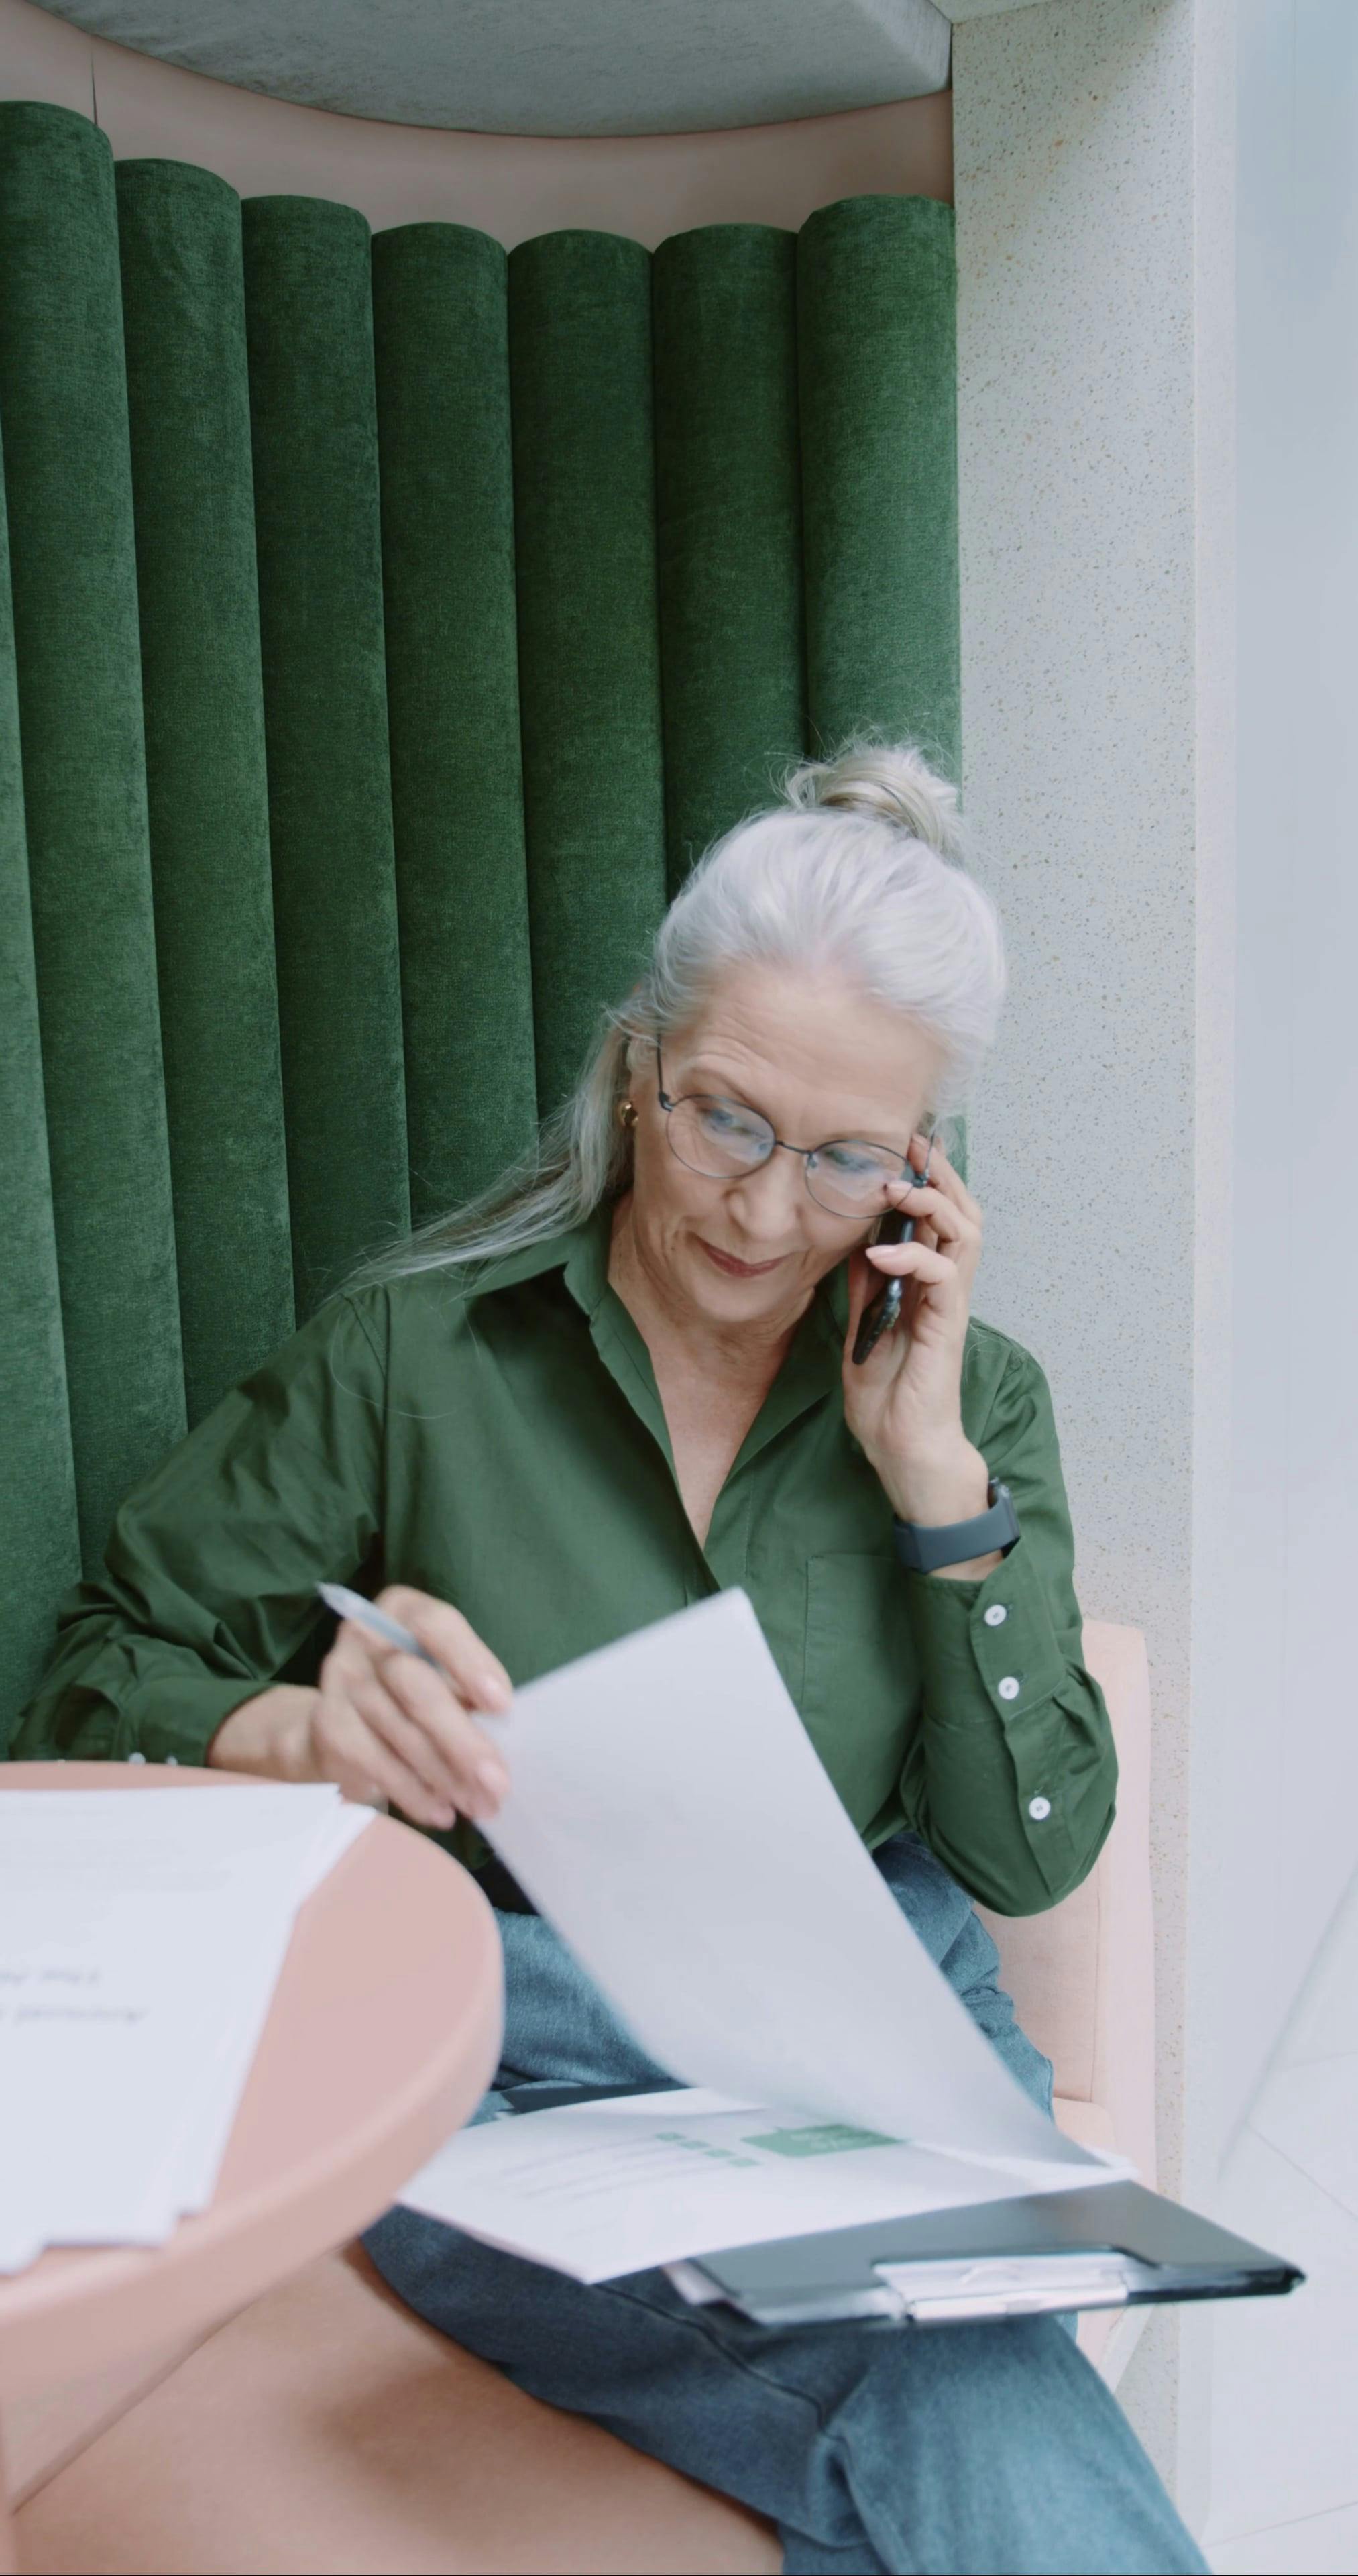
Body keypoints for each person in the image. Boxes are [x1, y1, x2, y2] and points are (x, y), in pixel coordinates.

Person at [16, 743, 1208, 2575]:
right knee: (949, 2382)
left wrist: (932, 1486)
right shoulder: (414, 1361)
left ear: (921, 1174)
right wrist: (300, 1733)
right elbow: (96, 1678)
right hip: (516, 2055)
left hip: (875, 2042)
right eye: (724, 1119)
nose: (762, 1212)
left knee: (943, 2384)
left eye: (843, 1160)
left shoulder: (972, 1407)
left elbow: (1026, 1855)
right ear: (638, 1064)